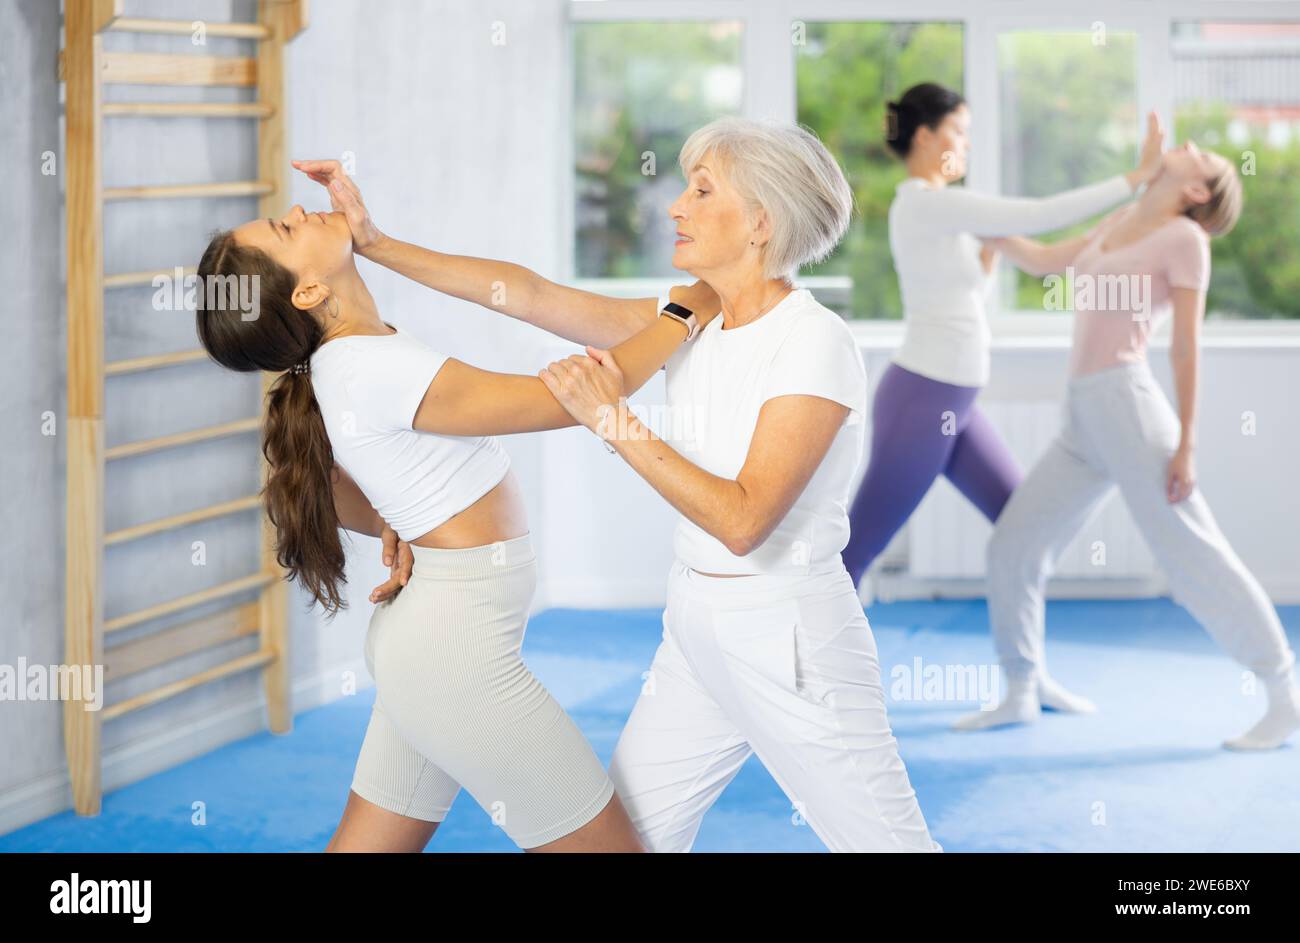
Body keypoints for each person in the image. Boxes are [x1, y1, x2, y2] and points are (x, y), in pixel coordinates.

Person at [193, 170, 721, 851]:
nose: (298, 209)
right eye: (287, 228)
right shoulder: (364, 365)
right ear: (309, 292)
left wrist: (395, 518)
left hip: (433, 638)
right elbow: (571, 400)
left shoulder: (354, 359)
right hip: (450, 653)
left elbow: (323, 469)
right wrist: (686, 312)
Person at [954, 138, 1299, 751]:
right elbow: (1043, 260)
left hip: (1129, 409)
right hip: (1082, 415)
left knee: (1194, 559)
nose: (1190, 145)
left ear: (1197, 191)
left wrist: (1188, 443)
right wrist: (983, 223)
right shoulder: (1119, 221)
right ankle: (1021, 687)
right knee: (1014, 543)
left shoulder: (1185, 241)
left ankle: (1282, 693)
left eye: (1204, 156)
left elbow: (1186, 346)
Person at [841, 82, 1165, 657]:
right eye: (957, 131)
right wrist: (1134, 178)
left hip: (955, 407)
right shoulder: (925, 202)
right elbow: (1040, 216)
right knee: (855, 552)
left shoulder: (953, 213)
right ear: (924, 136)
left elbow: (1044, 259)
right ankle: (785, 676)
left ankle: (1026, 675)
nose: (965, 144)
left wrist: (1132, 216)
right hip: (923, 399)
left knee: (1024, 532)